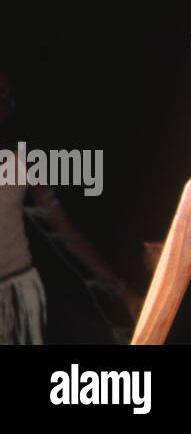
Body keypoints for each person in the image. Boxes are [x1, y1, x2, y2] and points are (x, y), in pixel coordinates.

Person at [0, 68, 142, 344]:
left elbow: (65, 231)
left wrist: (124, 293)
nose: (4, 99)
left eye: (7, 92)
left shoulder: (24, 160)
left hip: (20, 294)